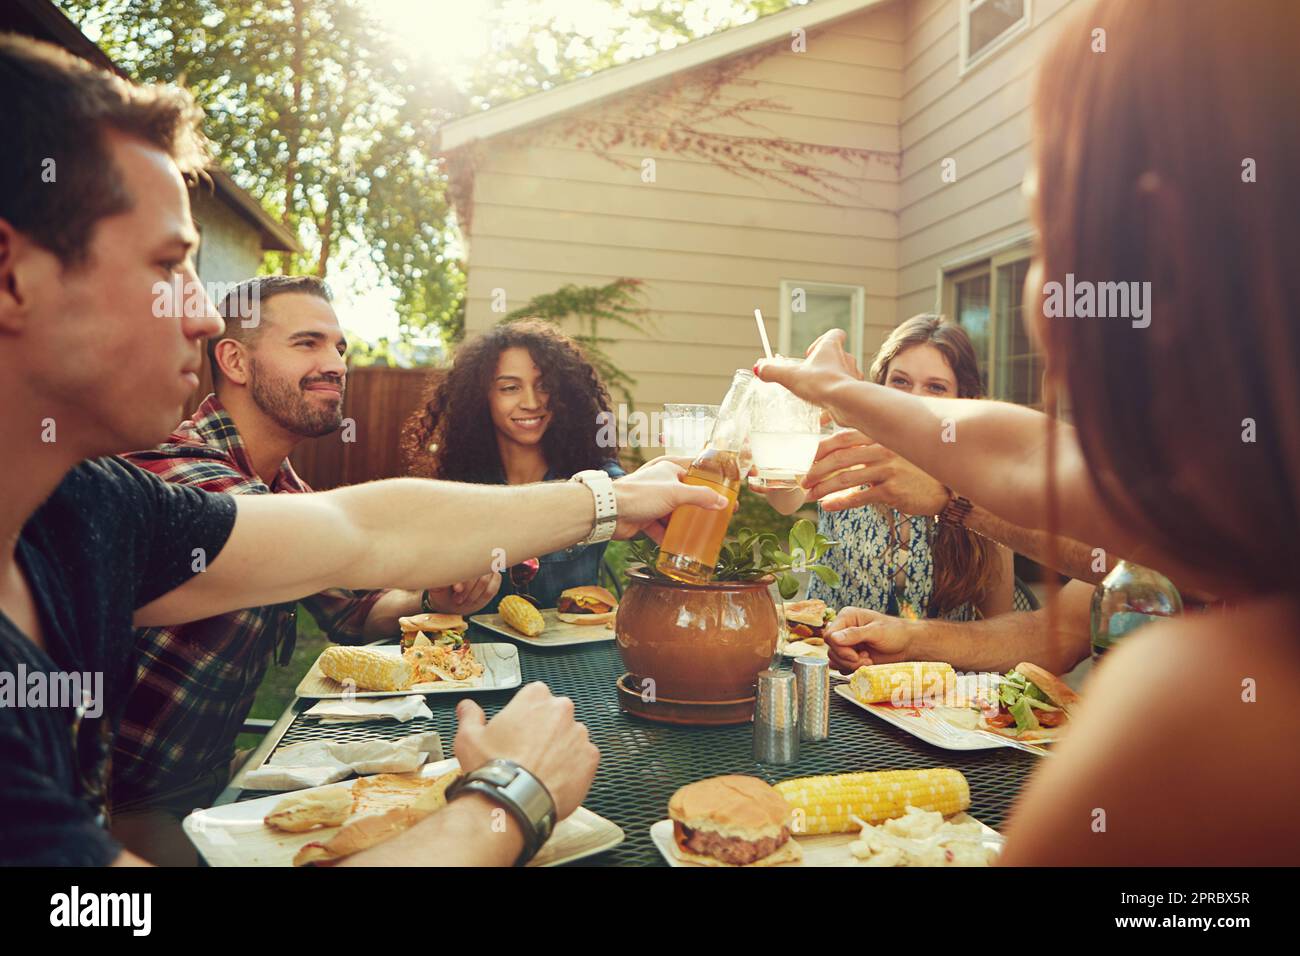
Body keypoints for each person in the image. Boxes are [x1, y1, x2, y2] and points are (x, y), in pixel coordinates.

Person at [0, 35, 726, 866]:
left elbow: (360, 532)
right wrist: (510, 799)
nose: (202, 318)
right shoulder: (171, 469)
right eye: (171, 265)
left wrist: (609, 499)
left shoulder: (87, 509)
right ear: (12, 274)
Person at [755, 0, 1300, 864]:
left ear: (1157, 257)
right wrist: (842, 393)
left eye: (1041, 231)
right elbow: (1024, 454)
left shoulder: (1198, 710)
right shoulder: (1242, 499)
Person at [107, 274, 500, 865]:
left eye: (339, 348)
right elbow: (362, 537)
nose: (336, 364)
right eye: (308, 343)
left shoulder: (282, 487)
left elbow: (354, 610)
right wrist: (601, 503)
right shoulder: (181, 475)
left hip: (209, 784)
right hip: (115, 808)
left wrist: (429, 594)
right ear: (235, 360)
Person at [766, 316, 1018, 621]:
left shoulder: (982, 487)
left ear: (963, 400)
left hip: (939, 668)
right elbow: (783, 498)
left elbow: (1000, 622)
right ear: (880, 386)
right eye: (900, 381)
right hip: (830, 659)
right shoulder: (848, 450)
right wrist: (794, 410)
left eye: (936, 387)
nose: (913, 399)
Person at [402, 320, 623, 611]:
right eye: (510, 388)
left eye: (544, 386)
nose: (531, 402)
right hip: (480, 652)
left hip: (574, 655)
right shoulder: (457, 488)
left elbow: (633, 497)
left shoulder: (594, 476)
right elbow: (425, 594)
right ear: (482, 397)